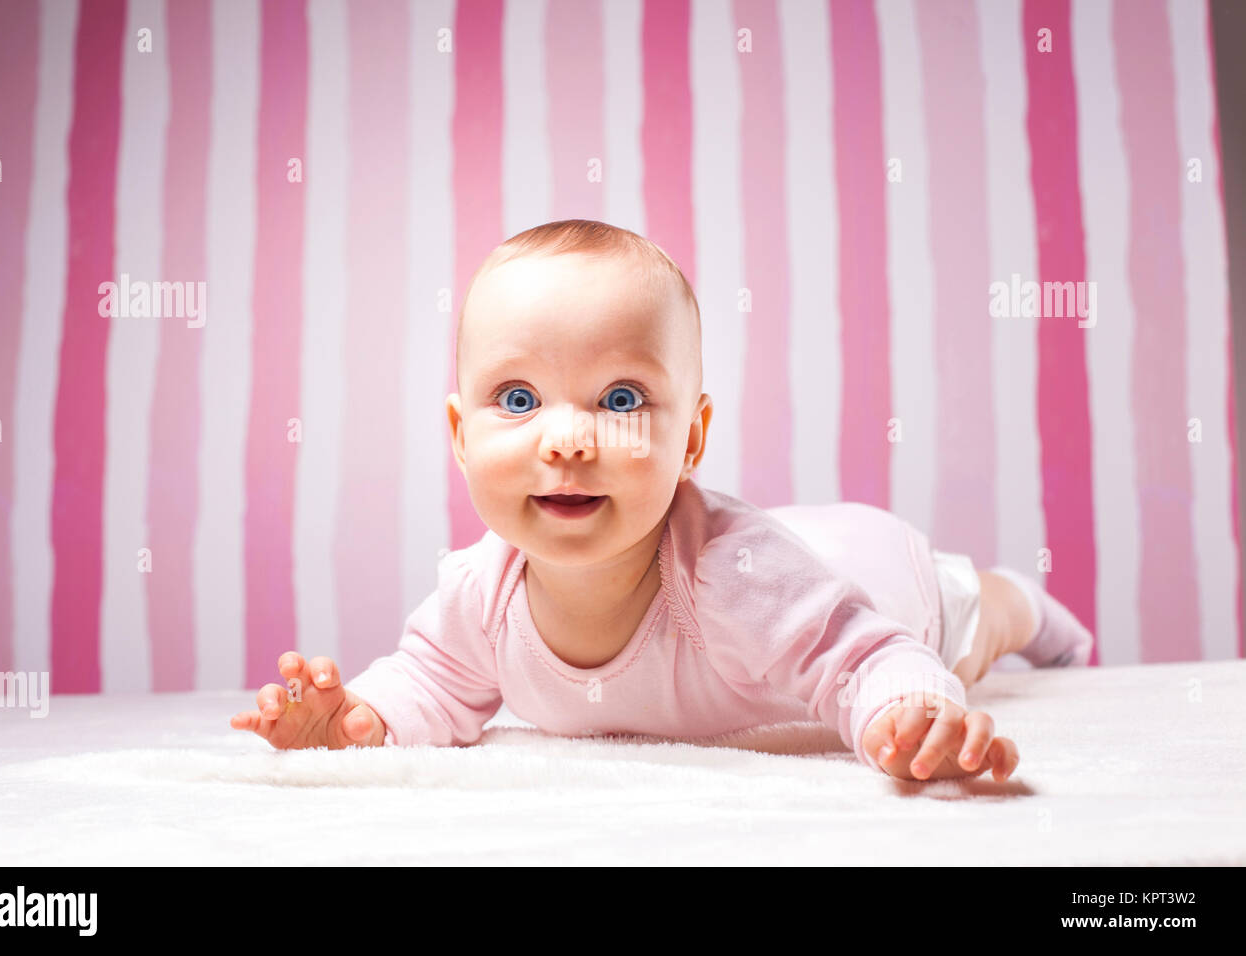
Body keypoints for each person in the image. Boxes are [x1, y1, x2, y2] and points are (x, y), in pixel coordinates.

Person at [230, 219, 1093, 781]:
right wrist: (352, 721)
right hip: (791, 549)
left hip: (881, 578)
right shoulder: (476, 593)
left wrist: (909, 713)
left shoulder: (734, 578)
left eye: (619, 401)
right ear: (461, 436)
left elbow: (865, 661)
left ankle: (1037, 609)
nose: (566, 441)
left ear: (690, 439)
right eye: (520, 401)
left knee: (982, 610)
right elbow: (432, 684)